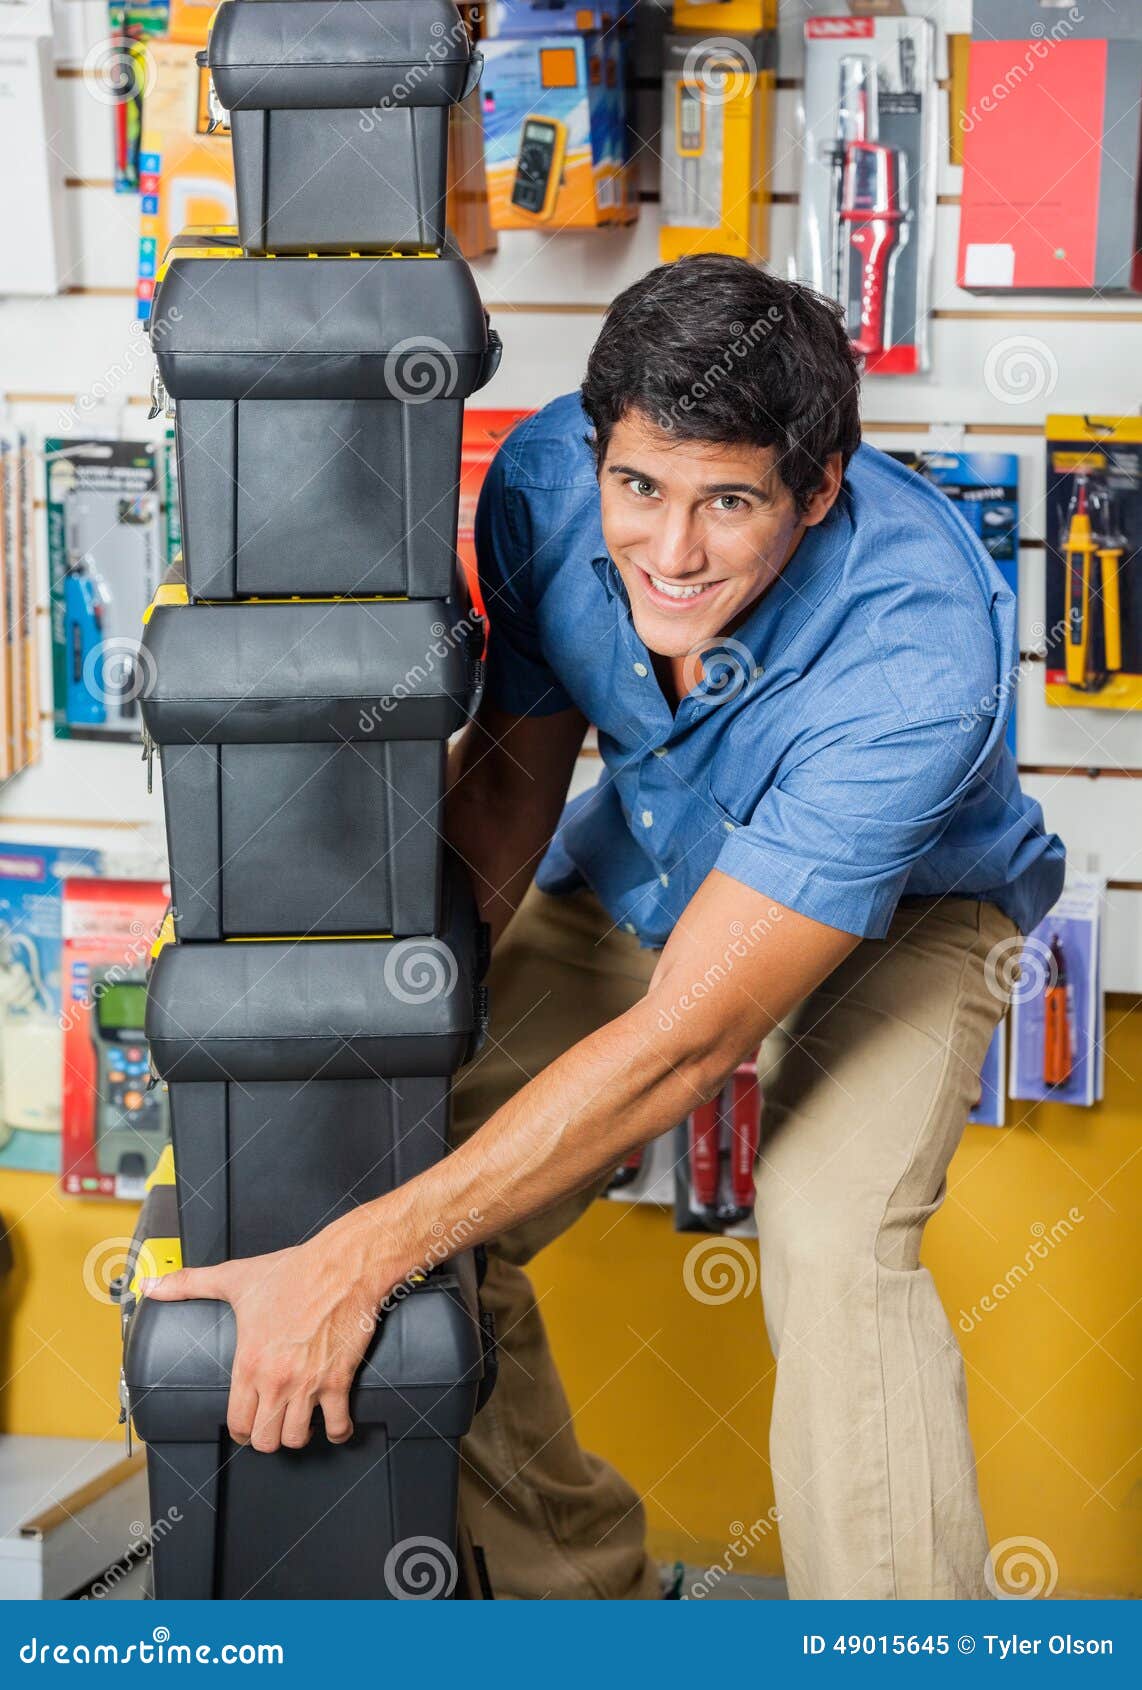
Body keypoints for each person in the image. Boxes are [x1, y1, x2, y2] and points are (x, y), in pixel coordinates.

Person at [142, 257, 1065, 1600]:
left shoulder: (917, 655)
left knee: (828, 1232)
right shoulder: (541, 482)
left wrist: (352, 1262)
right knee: (418, 1169)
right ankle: (588, 1610)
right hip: (654, 861)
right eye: (640, 488)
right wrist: (382, 1032)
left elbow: (690, 1043)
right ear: (598, 451)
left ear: (815, 491)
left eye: (729, 503)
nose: (670, 551)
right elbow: (518, 768)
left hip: (915, 915)